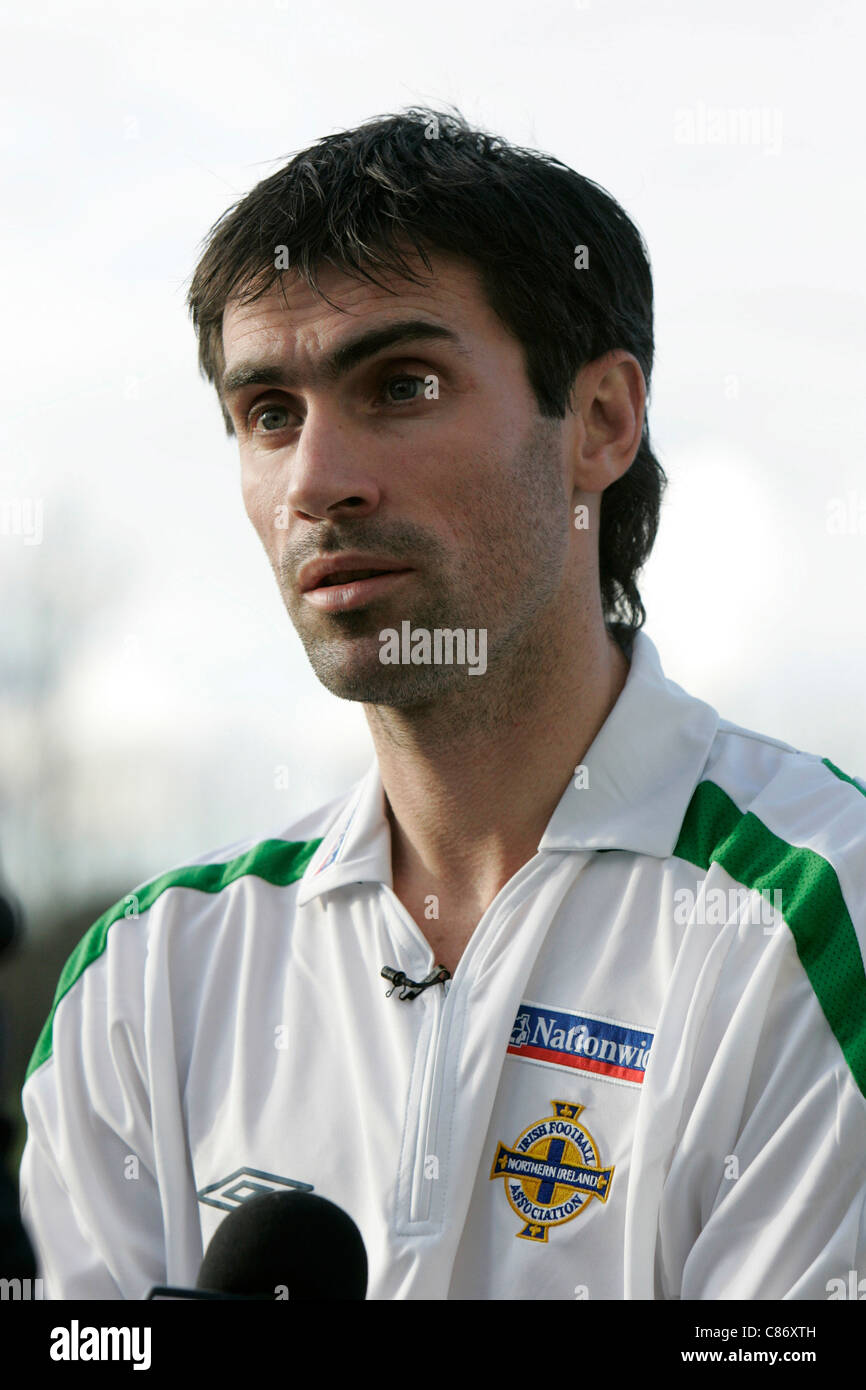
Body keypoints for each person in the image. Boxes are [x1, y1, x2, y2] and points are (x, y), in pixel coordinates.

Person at [19, 108, 866, 1301]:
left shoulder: (821, 913)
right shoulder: (152, 970)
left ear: (600, 422)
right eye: (269, 413)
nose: (316, 481)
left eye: (400, 384)